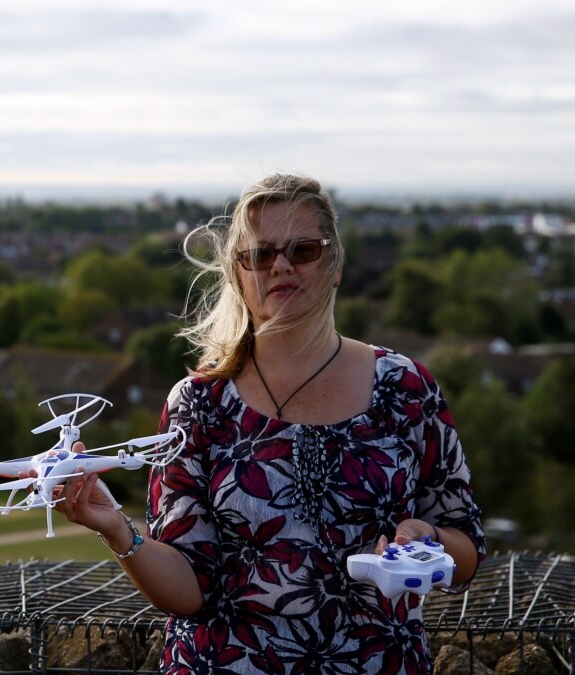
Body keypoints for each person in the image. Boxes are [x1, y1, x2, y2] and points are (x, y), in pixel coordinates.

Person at [52, 174, 485, 674]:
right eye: (259, 255)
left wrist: (426, 536)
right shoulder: (199, 404)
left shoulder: (406, 390)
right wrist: (113, 525)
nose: (280, 265)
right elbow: (188, 590)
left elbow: (467, 549)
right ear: (238, 275)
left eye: (302, 250)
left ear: (335, 264)